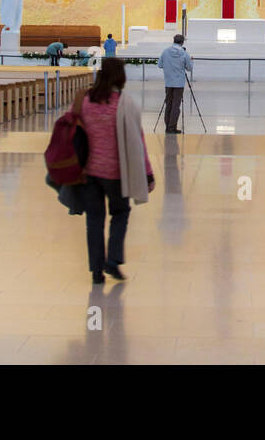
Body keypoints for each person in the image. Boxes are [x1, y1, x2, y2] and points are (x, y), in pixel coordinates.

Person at [76, 58, 155, 285]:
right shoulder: (124, 103)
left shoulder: (86, 100)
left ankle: (96, 271)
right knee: (120, 213)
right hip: (115, 172)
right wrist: (147, 173)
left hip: (89, 172)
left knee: (94, 219)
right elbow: (137, 142)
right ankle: (113, 259)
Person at [157, 34, 193, 133]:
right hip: (179, 83)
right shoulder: (184, 53)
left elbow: (160, 65)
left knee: (168, 104)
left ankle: (167, 126)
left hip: (168, 82)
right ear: (182, 42)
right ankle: (172, 127)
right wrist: (190, 61)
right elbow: (189, 68)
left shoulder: (165, 51)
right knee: (175, 106)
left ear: (173, 41)